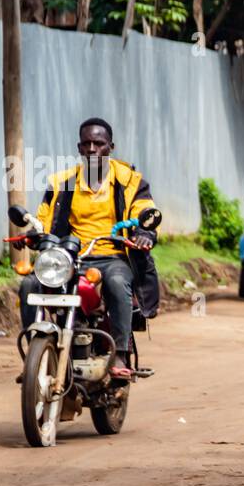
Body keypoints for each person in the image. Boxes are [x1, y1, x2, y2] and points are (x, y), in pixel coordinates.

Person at [19, 117, 158, 379]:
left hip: (112, 255)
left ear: (111, 147)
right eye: (87, 144)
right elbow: (46, 217)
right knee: (29, 284)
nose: (93, 149)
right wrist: (36, 233)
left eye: (99, 143)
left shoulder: (130, 181)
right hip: (71, 258)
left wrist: (144, 233)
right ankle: (34, 357)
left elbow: (144, 211)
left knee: (118, 282)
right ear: (79, 148)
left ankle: (120, 354)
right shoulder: (63, 182)